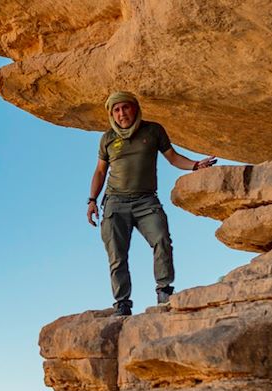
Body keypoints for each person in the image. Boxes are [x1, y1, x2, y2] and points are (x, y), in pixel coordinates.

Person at [86, 91, 216, 316]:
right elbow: (100, 171)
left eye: (125, 107)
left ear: (135, 108)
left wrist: (195, 165)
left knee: (162, 239)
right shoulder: (108, 138)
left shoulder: (153, 130)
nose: (121, 113)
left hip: (146, 201)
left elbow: (173, 157)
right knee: (117, 254)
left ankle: (164, 291)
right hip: (115, 202)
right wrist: (92, 200)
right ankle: (122, 303)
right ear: (112, 115)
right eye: (116, 110)